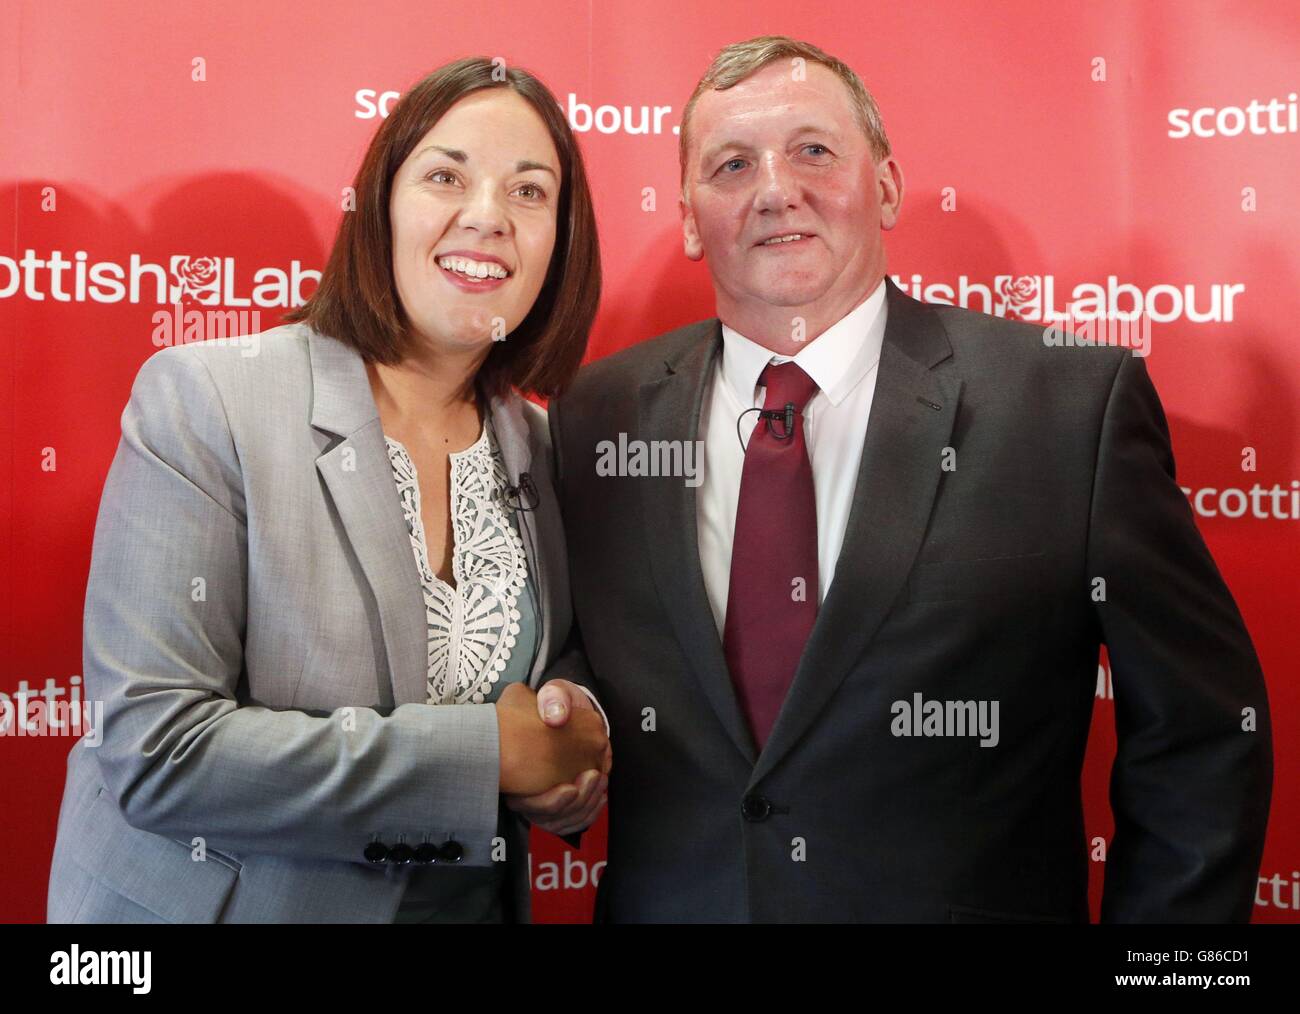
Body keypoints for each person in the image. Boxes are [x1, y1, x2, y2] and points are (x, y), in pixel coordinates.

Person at [546, 36, 1273, 922]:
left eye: (813, 150)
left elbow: (1202, 738)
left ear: (885, 187)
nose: (776, 187)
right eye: (732, 164)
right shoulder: (597, 415)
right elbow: (577, 642)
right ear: (693, 219)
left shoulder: (1070, 405)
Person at [46, 56, 610, 924]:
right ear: (379, 204)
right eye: (445, 175)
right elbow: (160, 750)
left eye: (530, 193)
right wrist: (483, 759)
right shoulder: (208, 401)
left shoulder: (538, 442)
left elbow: (546, 666)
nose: (488, 216)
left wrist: (571, 750)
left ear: (561, 243)